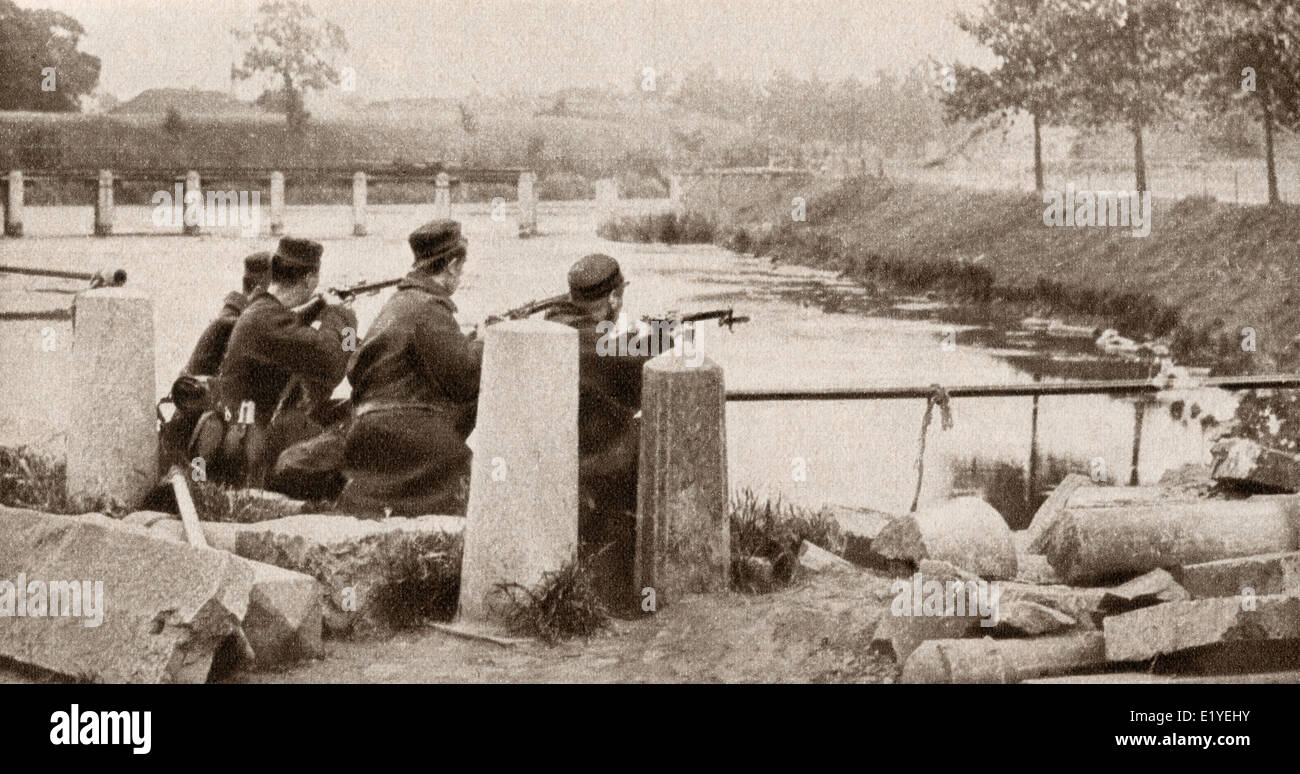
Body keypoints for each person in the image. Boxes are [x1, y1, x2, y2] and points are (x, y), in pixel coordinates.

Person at [336, 219, 483, 516]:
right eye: (461, 268)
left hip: (366, 433)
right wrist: (483, 341)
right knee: (477, 492)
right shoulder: (429, 307)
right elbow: (465, 380)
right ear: (453, 265)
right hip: (406, 436)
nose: (460, 275)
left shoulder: (398, 302)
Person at [198, 237, 356, 490]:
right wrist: (344, 314)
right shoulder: (265, 319)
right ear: (309, 279)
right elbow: (333, 365)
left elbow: (342, 352)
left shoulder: (263, 310)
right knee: (351, 439)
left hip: (256, 431)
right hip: (248, 446)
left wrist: (326, 311)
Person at [544, 253, 656, 610]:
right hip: (592, 467)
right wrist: (663, 333)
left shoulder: (553, 327)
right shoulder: (602, 343)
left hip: (551, 463)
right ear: (613, 298)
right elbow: (648, 367)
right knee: (642, 436)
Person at [157, 251, 271, 476]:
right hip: (198, 435)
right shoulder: (231, 326)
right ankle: (202, 482)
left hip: (201, 427)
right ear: (262, 292)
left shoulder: (232, 319)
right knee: (220, 426)